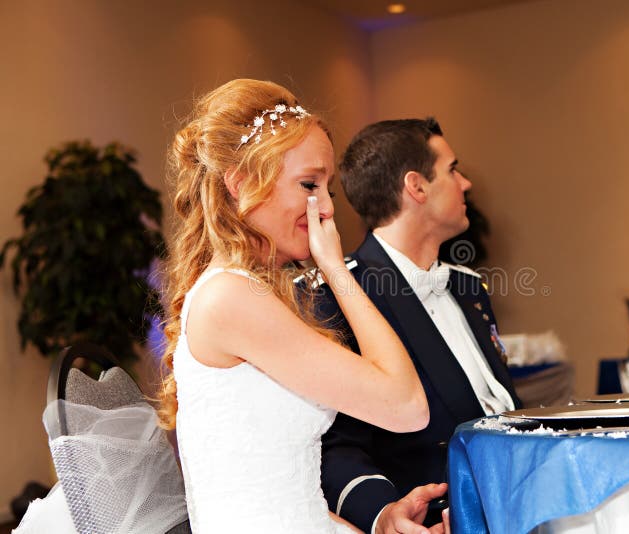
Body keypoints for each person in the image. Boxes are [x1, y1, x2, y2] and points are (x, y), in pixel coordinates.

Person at [156, 79, 448, 533]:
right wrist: (336, 269)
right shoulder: (231, 298)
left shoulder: (252, 292)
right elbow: (407, 406)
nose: (327, 208)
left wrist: (379, 524)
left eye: (328, 188)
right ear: (241, 184)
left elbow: (277, 490)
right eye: (310, 184)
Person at [318, 119, 522, 532]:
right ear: (417, 186)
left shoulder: (468, 286)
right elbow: (336, 444)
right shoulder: (342, 295)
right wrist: (383, 514)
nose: (465, 183)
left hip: (513, 503)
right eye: (452, 170)